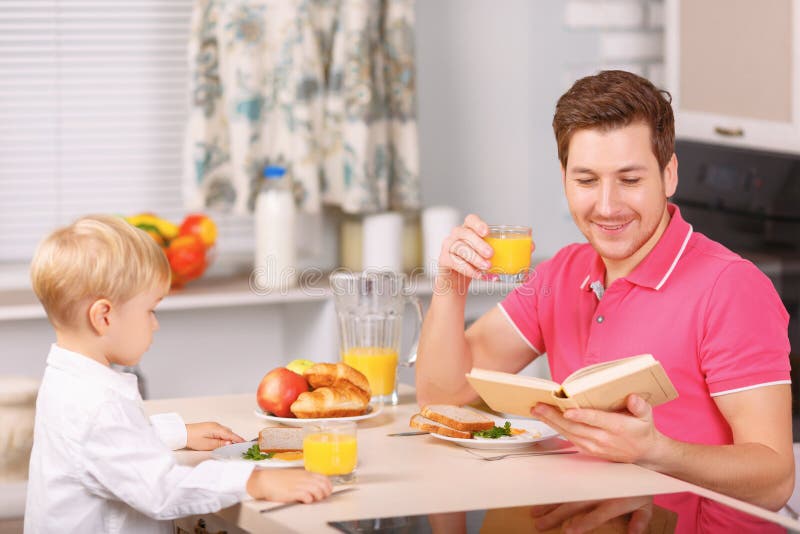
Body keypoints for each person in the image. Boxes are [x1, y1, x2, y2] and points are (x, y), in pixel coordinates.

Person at [415, 70, 794, 511]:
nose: (608, 206)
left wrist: (657, 451)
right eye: (587, 180)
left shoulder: (731, 288)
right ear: (564, 179)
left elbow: (775, 480)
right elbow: (441, 398)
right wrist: (451, 283)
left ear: (668, 175)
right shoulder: (563, 272)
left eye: (630, 180)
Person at [25, 215, 332, 533]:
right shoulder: (97, 406)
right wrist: (256, 480)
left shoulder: (67, 379)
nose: (155, 324)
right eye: (150, 310)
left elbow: (105, 446)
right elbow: (162, 490)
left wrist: (178, 433)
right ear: (104, 317)